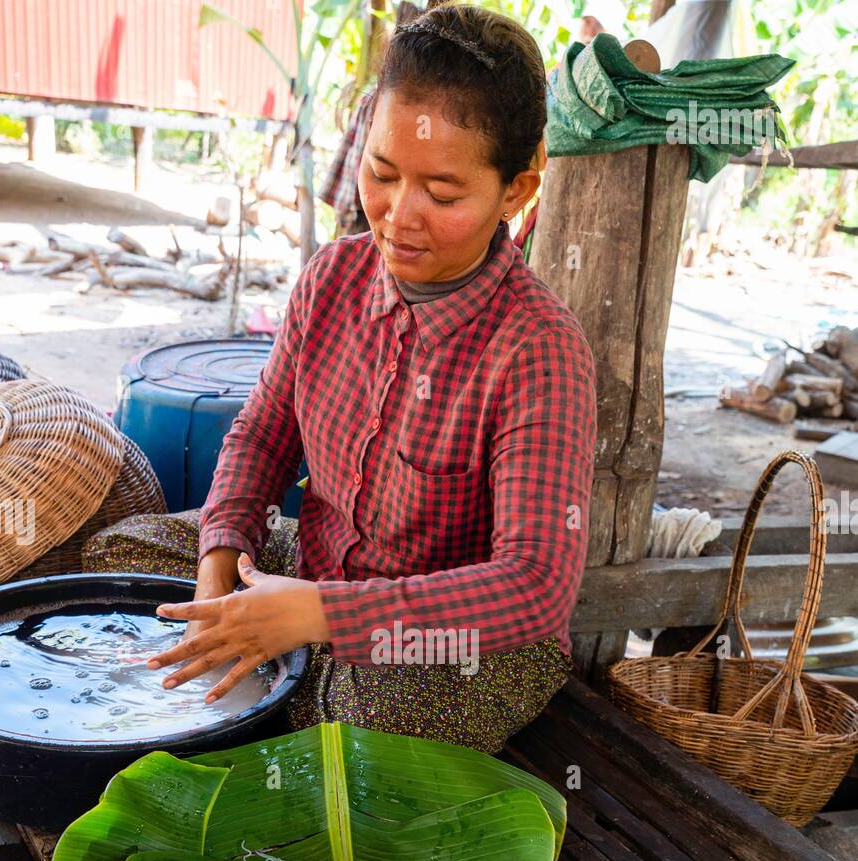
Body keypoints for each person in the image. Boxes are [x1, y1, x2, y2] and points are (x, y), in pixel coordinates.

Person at [87, 4, 596, 755]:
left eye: (444, 194)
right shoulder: (332, 277)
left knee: (369, 711)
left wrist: (322, 616)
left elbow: (532, 585)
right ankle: (287, 676)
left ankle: (292, 682)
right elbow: (261, 434)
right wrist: (220, 561)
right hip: (312, 567)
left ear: (515, 192)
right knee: (121, 558)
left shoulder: (538, 348)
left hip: (465, 643)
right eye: (382, 174)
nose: (397, 216)